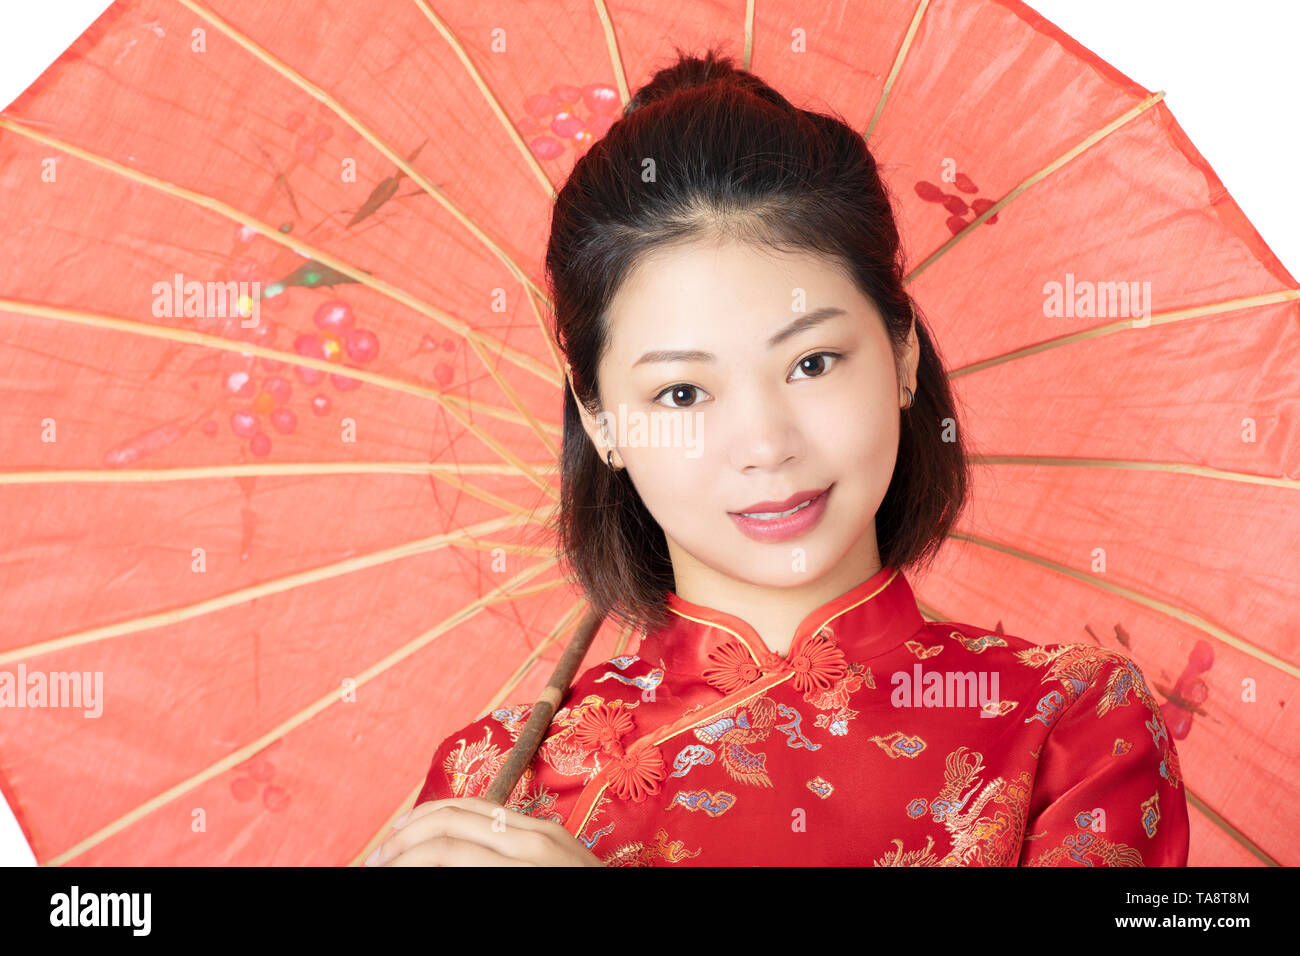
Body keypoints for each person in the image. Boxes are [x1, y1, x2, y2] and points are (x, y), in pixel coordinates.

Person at [368, 46, 1190, 867]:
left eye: (812, 364)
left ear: (902, 353)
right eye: (682, 394)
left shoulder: (1071, 724)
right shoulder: (482, 800)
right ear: (600, 418)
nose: (765, 446)